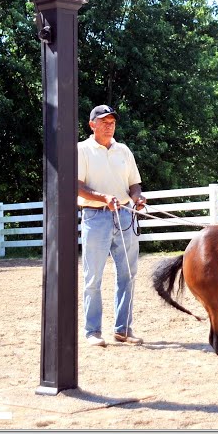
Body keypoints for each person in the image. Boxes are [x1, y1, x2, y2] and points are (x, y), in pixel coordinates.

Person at [77, 104, 147, 347]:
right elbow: (77, 186)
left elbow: (134, 184)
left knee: (128, 274)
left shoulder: (124, 151)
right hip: (95, 216)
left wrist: (138, 198)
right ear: (92, 124)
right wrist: (103, 198)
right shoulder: (82, 150)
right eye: (104, 121)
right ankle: (93, 332)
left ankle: (123, 329)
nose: (109, 125)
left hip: (125, 216)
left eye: (112, 121)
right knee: (93, 277)